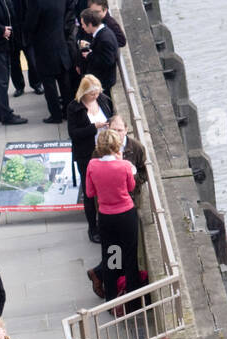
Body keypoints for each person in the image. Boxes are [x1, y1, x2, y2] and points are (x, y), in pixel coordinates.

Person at [85, 127, 140, 304]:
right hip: (126, 215)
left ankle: (111, 299)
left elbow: (90, 191)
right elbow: (131, 187)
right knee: (130, 257)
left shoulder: (92, 165)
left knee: (111, 256)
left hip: (106, 216)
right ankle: (133, 301)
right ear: (117, 146)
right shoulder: (124, 166)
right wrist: (124, 164)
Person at [67, 76, 113, 243]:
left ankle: (105, 223)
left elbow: (112, 117)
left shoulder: (103, 99)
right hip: (86, 154)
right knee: (89, 192)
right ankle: (92, 228)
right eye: (92, 94)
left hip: (105, 151)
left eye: (97, 92)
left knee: (105, 189)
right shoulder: (74, 108)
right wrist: (93, 127)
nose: (96, 96)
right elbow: (73, 134)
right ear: (84, 93)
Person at [22, 0, 73, 124]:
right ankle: (68, 112)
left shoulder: (36, 3)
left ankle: (56, 115)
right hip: (61, 46)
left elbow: (30, 25)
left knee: (49, 85)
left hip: (45, 50)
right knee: (65, 83)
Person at [77, 5, 119, 98]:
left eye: (83, 24)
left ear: (90, 24)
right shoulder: (102, 33)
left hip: (103, 82)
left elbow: (108, 61)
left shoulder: (105, 39)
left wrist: (89, 56)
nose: (82, 27)